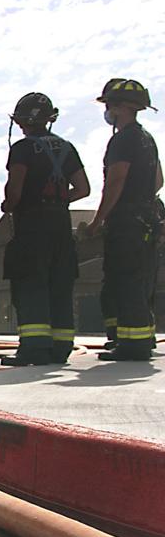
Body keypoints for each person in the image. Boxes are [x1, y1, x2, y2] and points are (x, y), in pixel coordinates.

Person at [0, 92, 90, 366]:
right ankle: (61, 347)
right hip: (61, 226)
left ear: (22, 121)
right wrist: (60, 201)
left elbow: (15, 189)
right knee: (59, 284)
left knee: (31, 283)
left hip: (32, 225)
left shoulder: (23, 149)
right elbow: (84, 189)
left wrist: (10, 205)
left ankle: (34, 349)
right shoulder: (67, 148)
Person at [86, 79, 163, 361]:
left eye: (109, 105)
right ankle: (139, 338)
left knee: (125, 278)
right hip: (147, 218)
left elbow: (116, 181)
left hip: (127, 220)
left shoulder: (122, 140)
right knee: (141, 279)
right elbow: (158, 181)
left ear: (120, 108)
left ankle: (133, 345)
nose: (107, 111)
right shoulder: (146, 139)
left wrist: (98, 221)